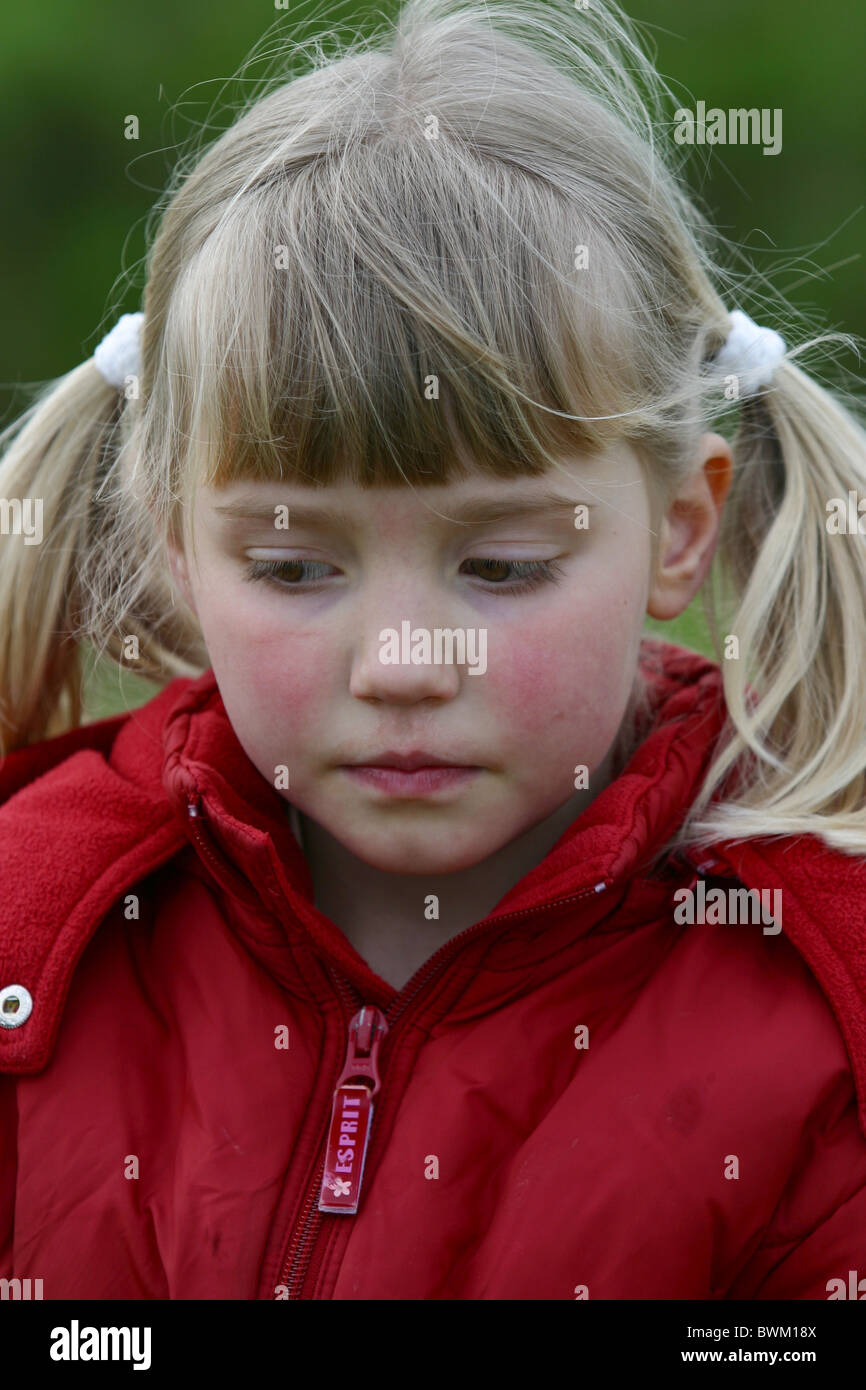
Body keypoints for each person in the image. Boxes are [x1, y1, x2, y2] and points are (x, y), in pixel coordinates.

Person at [1, 0, 865, 1301]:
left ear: (679, 530)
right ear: (178, 544)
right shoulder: (35, 937)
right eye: (295, 567)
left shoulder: (824, 1006)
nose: (401, 663)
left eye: (501, 565)